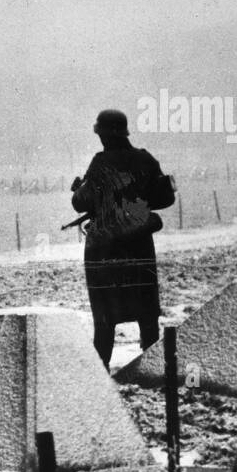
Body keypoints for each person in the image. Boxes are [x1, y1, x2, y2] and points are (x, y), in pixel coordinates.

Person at [71, 109, 176, 367]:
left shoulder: (100, 163)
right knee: (147, 313)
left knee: (105, 317)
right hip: (139, 244)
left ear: (105, 134)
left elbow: (81, 202)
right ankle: (153, 368)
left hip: (105, 250)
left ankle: (101, 371)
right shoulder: (144, 159)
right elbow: (165, 197)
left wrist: (78, 190)